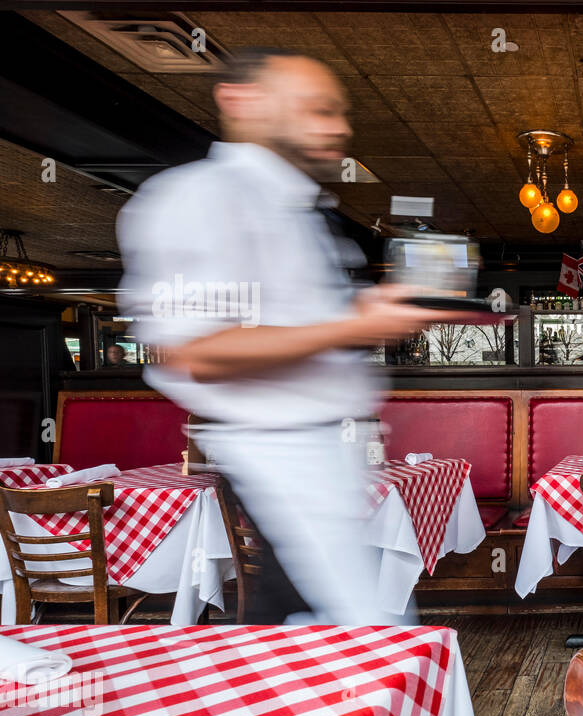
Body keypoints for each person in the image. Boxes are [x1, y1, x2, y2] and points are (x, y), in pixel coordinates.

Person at [118, 48, 472, 624]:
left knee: (328, 640)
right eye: (318, 109)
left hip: (329, 459)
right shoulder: (202, 198)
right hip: (280, 460)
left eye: (339, 113)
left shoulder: (294, 208)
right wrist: (357, 324)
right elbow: (200, 351)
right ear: (241, 101)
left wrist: (371, 309)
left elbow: (297, 326)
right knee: (357, 645)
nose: (339, 127)